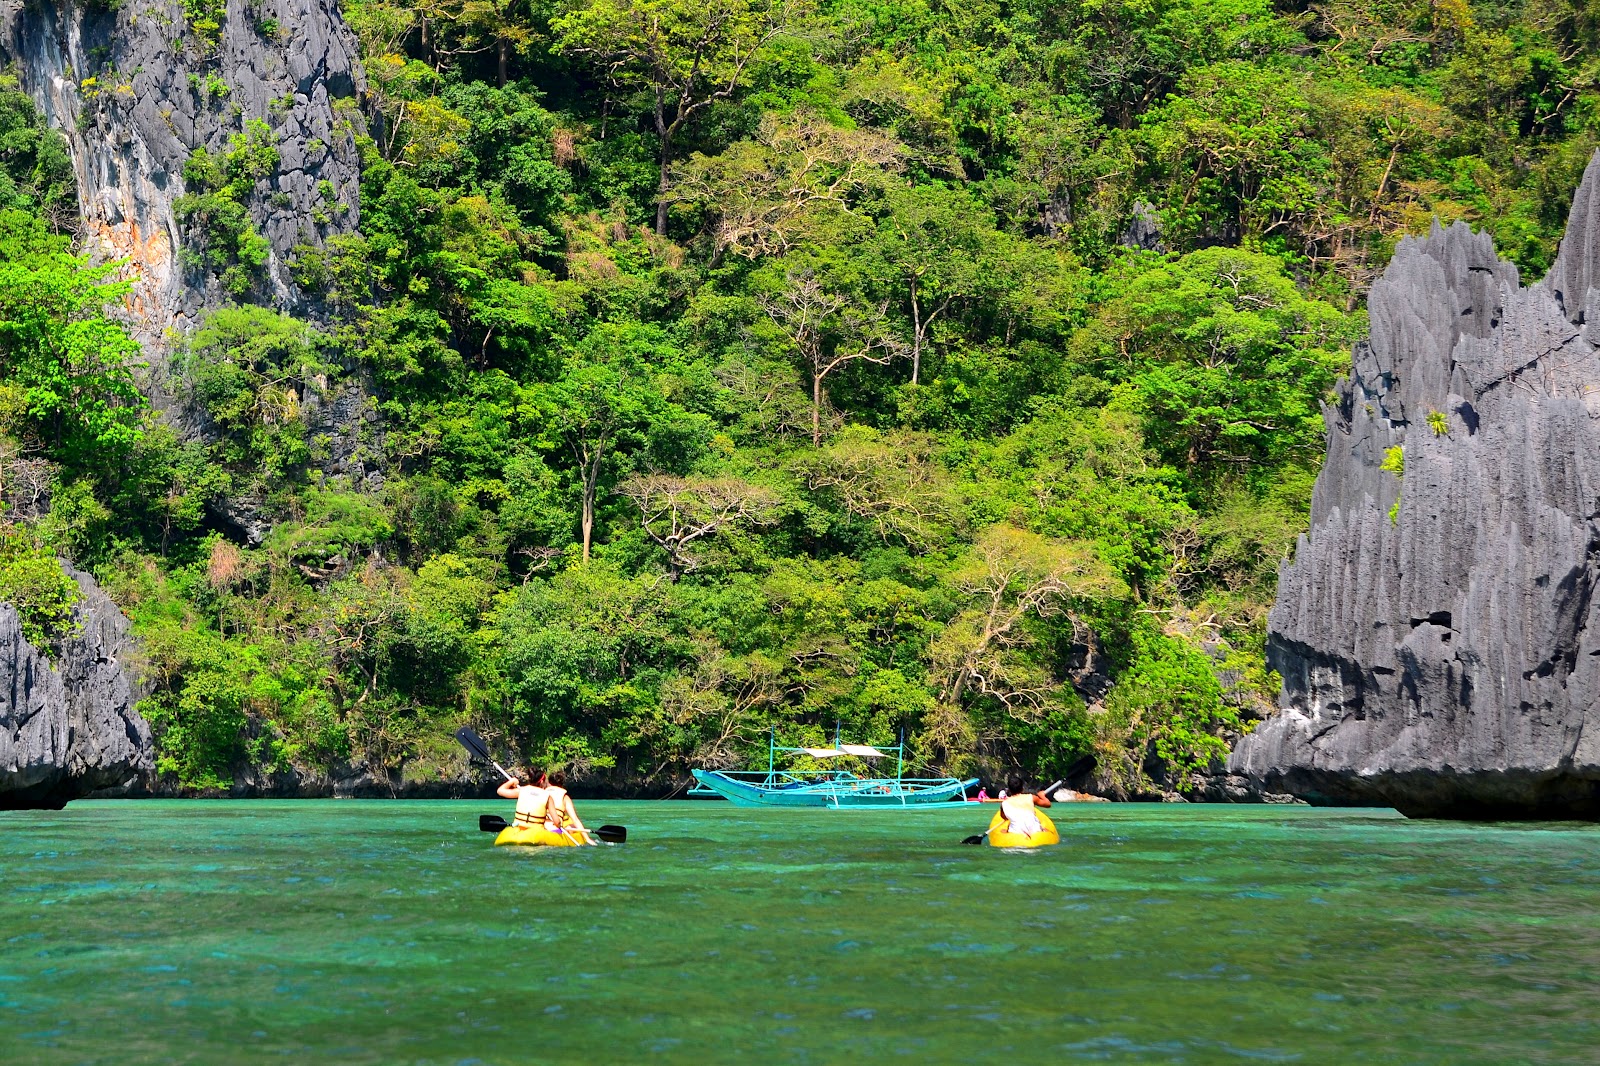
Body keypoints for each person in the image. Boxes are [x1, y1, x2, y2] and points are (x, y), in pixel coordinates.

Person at [544, 772, 596, 846]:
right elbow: (575, 819)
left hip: (542, 826)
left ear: (549, 783)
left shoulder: (542, 794)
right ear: (562, 784)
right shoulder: (565, 798)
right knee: (572, 826)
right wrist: (587, 839)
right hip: (554, 829)